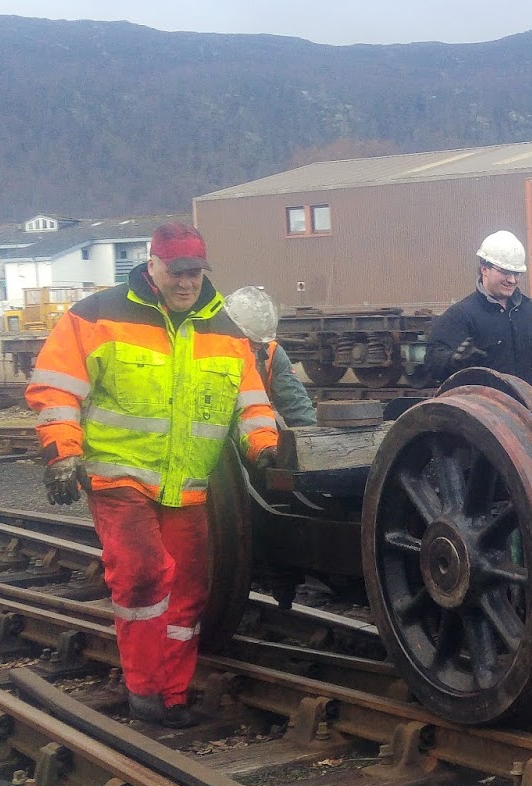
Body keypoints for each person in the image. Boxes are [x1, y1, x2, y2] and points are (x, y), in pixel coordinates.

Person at [25, 222, 278, 729]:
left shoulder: (226, 330)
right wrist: (62, 452)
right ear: (153, 265)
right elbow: (56, 388)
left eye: (195, 272)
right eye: (177, 271)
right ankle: (144, 691)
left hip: (188, 486)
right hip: (120, 479)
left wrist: (266, 448)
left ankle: (174, 694)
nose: (186, 282)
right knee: (142, 576)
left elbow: (251, 403)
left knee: (188, 590)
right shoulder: (96, 316)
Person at [422, 230, 532, 393]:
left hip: (531, 409)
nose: (512, 280)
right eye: (505, 272)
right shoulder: (461, 315)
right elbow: (432, 361)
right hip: (483, 413)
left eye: (517, 273)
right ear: (484, 269)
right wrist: (453, 361)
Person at [223, 286, 317, 427]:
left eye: (261, 342)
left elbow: (296, 405)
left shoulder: (271, 352)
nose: (257, 347)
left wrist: (314, 439)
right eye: (251, 340)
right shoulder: (205, 349)